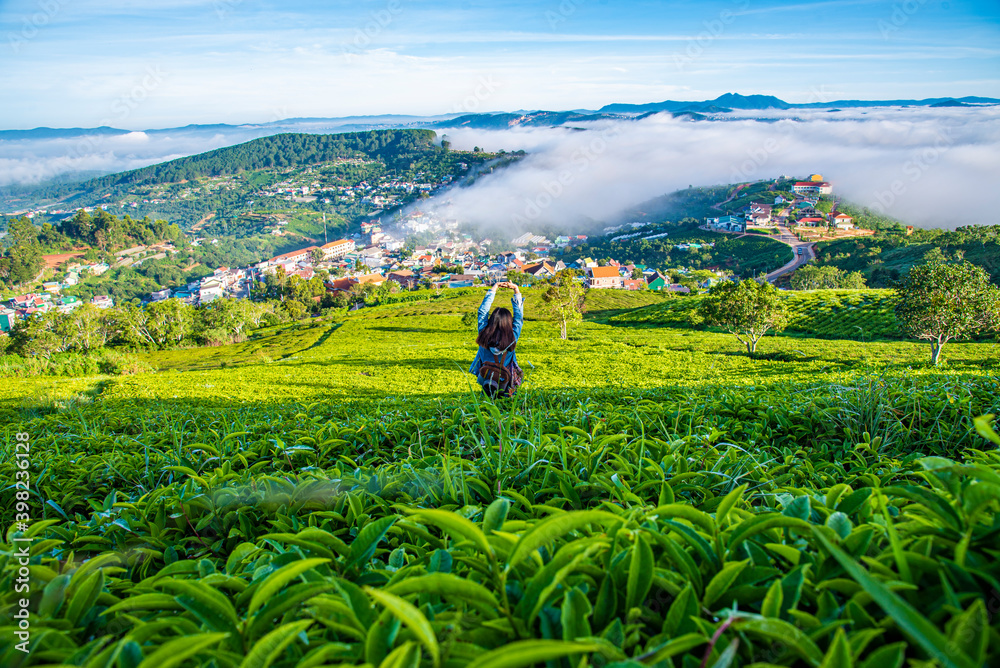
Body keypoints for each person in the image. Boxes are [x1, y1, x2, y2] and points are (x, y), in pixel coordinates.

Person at [470, 281, 524, 397]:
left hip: (486, 379)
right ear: (509, 323)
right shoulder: (512, 336)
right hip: (506, 380)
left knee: (485, 406)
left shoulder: (484, 334)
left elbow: (482, 312)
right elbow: (519, 317)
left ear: (491, 321)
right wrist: (516, 289)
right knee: (506, 407)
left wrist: (494, 289)